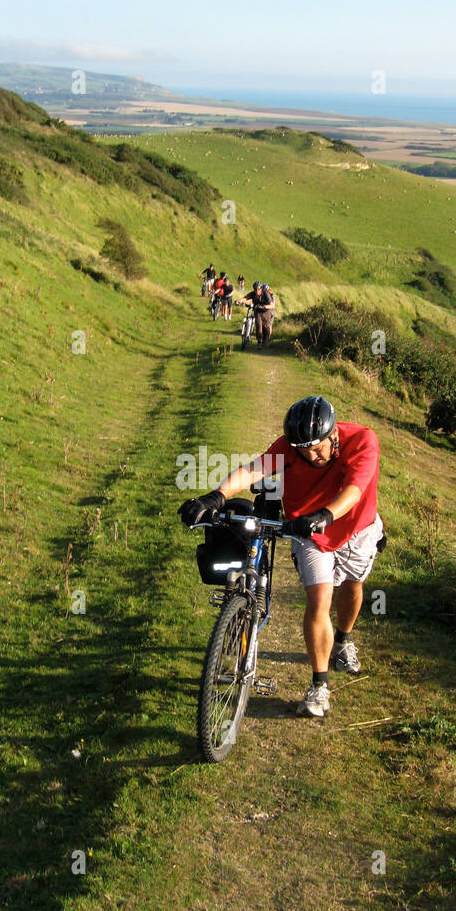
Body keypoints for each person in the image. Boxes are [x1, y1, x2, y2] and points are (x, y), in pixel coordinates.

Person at [178, 395, 383, 719]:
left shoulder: (362, 440)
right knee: (319, 600)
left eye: (317, 448)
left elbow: (355, 489)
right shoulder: (289, 448)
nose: (311, 455)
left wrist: (326, 515)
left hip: (356, 528)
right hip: (309, 533)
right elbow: (253, 470)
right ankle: (320, 687)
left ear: (333, 436)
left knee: (353, 587)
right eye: (303, 449)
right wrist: (216, 497)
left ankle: (343, 640)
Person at [243, 281, 275, 347]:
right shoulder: (253, 294)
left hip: (266, 312)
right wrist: (239, 301)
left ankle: (267, 339)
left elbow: (272, 305)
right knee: (258, 326)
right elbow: (246, 298)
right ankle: (259, 342)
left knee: (266, 327)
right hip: (257, 312)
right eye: (255, 289)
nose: (256, 290)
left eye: (258, 289)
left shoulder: (266, 294)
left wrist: (264, 307)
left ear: (261, 289)